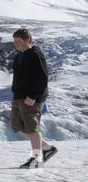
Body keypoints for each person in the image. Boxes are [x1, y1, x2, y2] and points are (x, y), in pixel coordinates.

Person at [10, 28, 54, 169]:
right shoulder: (20, 55)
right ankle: (47, 148)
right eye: (14, 41)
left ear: (27, 40)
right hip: (19, 96)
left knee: (32, 129)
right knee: (17, 127)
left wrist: (33, 96)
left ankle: (36, 159)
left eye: (18, 41)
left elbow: (42, 78)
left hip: (31, 98)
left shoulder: (35, 54)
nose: (16, 44)